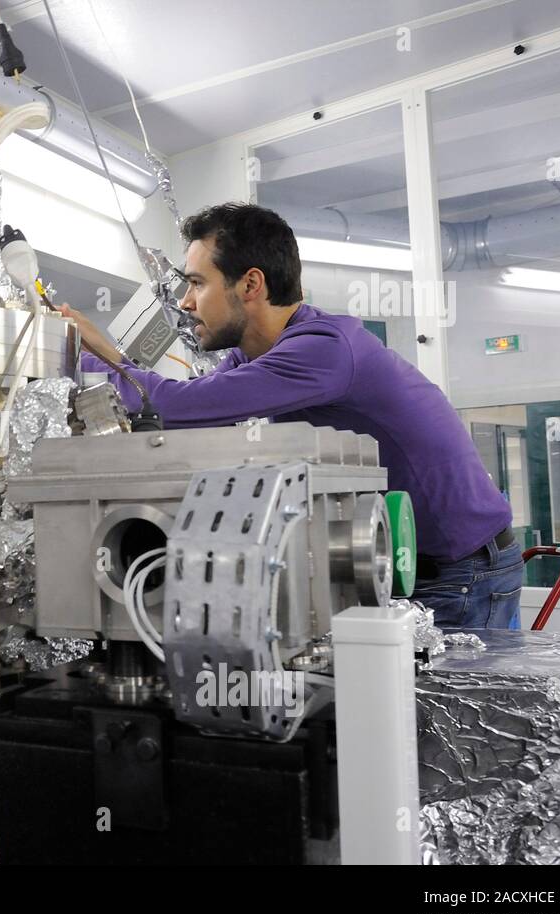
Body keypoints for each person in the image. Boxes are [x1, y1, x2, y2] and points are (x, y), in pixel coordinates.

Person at [65, 202, 521, 631]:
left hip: (460, 574)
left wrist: (82, 352)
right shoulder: (256, 356)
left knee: (432, 713)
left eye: (197, 284)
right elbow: (189, 414)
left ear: (250, 285)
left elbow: (172, 406)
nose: (186, 302)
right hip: (401, 563)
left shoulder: (323, 349)